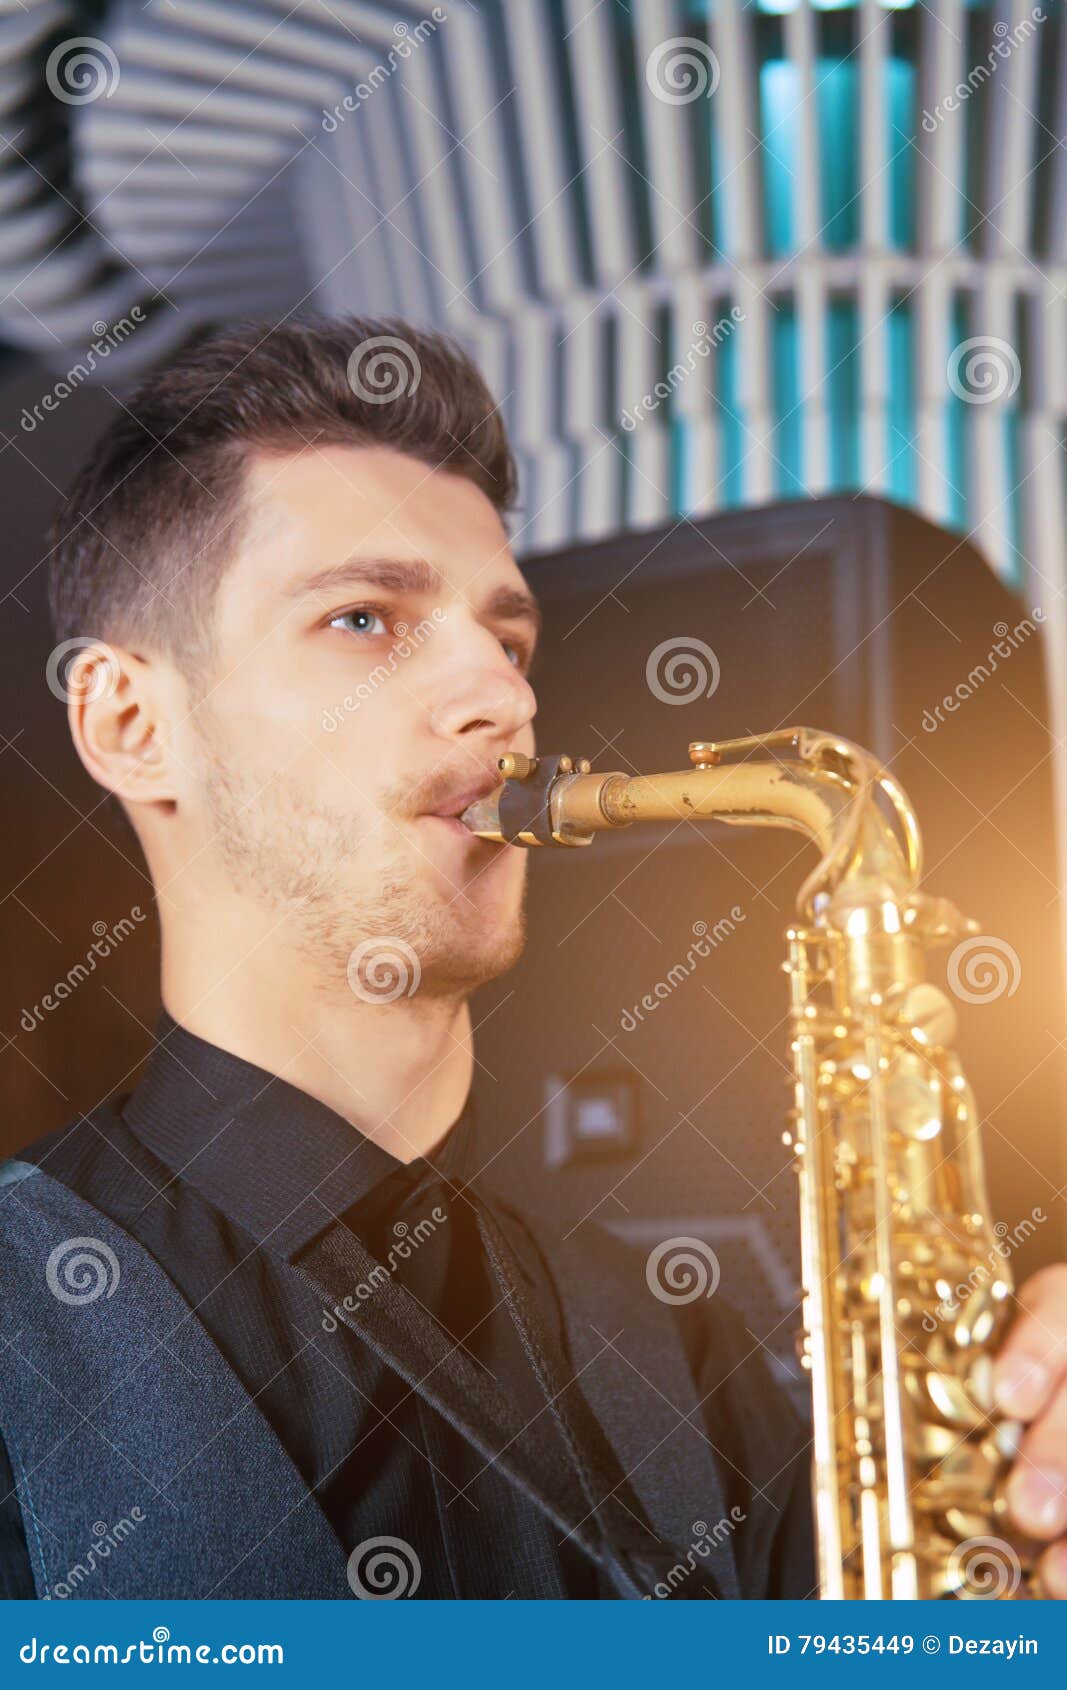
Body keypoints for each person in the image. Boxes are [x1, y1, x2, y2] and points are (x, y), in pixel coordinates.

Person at [1, 318, 1064, 1601]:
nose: (502, 702)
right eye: (363, 618)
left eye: (506, 641)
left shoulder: (695, 1360)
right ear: (129, 722)